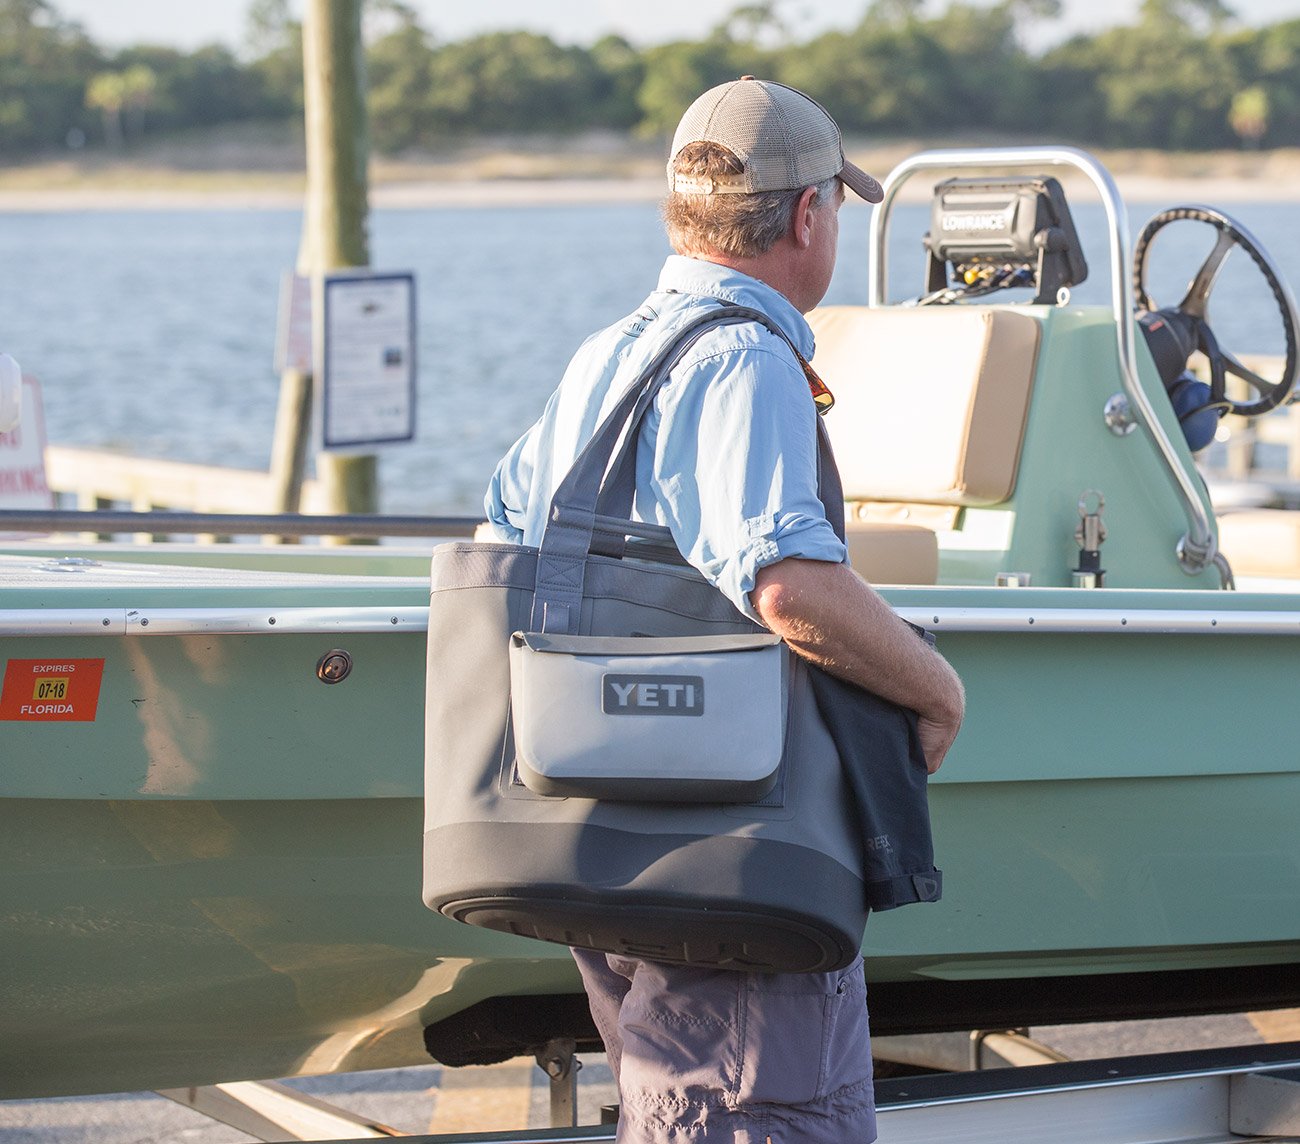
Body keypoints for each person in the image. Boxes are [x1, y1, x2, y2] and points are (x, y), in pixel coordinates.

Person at [486, 76, 965, 1144]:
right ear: (806, 214)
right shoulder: (747, 355)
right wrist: (935, 690)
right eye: (835, 205)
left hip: (610, 830)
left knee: (679, 1097)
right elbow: (784, 582)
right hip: (734, 846)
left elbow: (506, 533)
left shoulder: (603, 355)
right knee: (766, 1109)